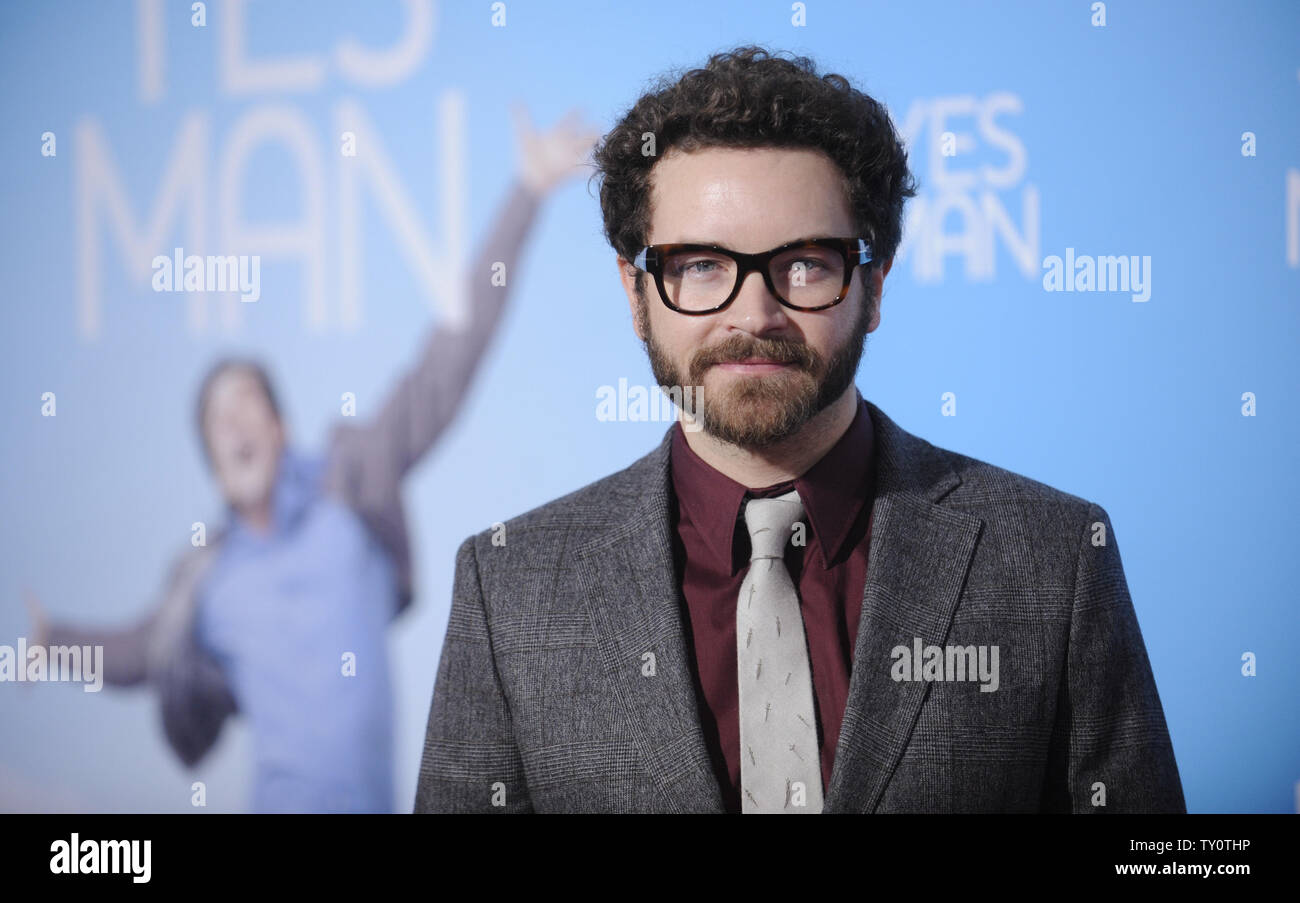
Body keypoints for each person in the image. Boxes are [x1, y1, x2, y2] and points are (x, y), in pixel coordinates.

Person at [413, 46, 1186, 814]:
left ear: (873, 288)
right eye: (701, 266)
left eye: (806, 265)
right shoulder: (509, 591)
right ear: (635, 290)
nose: (754, 315)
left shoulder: (1053, 559)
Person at [27, 108, 601, 813]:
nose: (232, 422)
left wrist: (525, 193)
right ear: (210, 454)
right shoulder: (207, 582)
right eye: (216, 418)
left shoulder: (348, 484)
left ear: (279, 426)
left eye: (245, 405)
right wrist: (54, 641)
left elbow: (445, 365)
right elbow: (142, 648)